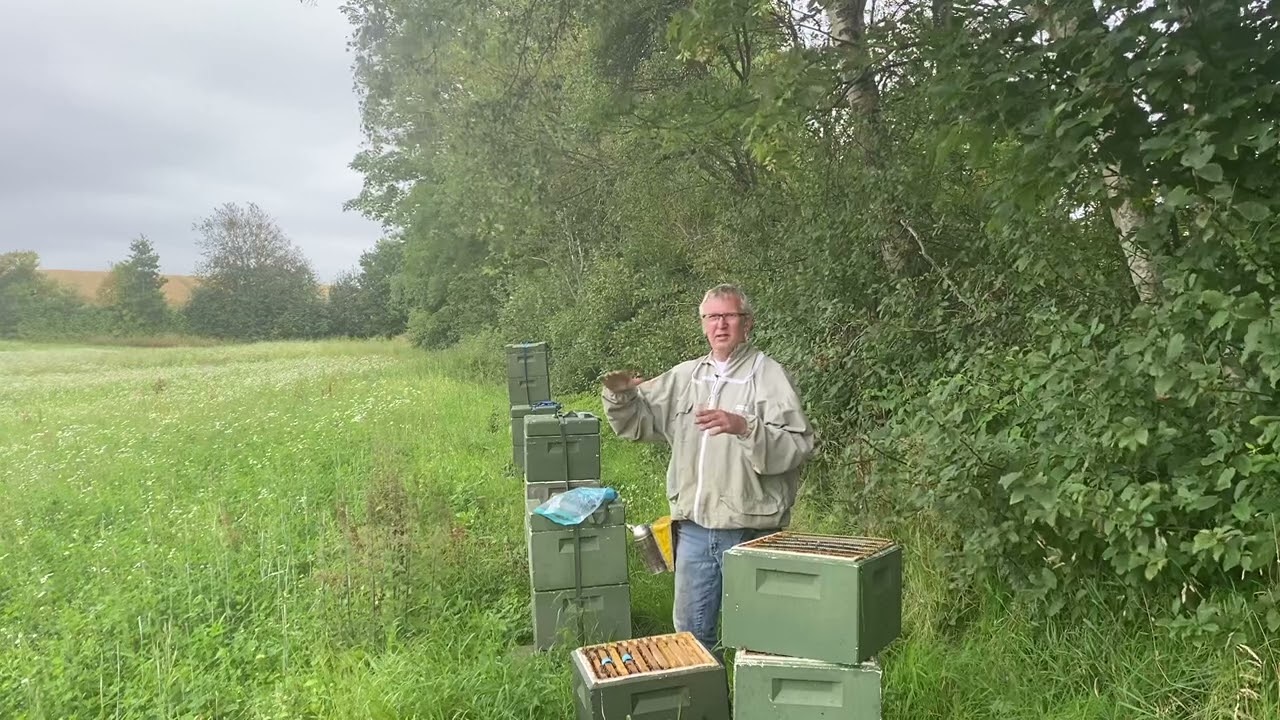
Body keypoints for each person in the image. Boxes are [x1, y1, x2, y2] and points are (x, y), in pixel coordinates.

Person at [600, 283, 815, 658]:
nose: (721, 324)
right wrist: (619, 395)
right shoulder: (685, 377)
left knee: (760, 638)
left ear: (747, 323)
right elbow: (637, 424)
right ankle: (705, 694)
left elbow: (798, 444)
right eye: (712, 317)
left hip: (750, 530)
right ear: (703, 324)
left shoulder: (769, 376)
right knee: (691, 637)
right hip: (695, 529)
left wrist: (745, 427)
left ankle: (753, 693)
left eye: (729, 316)